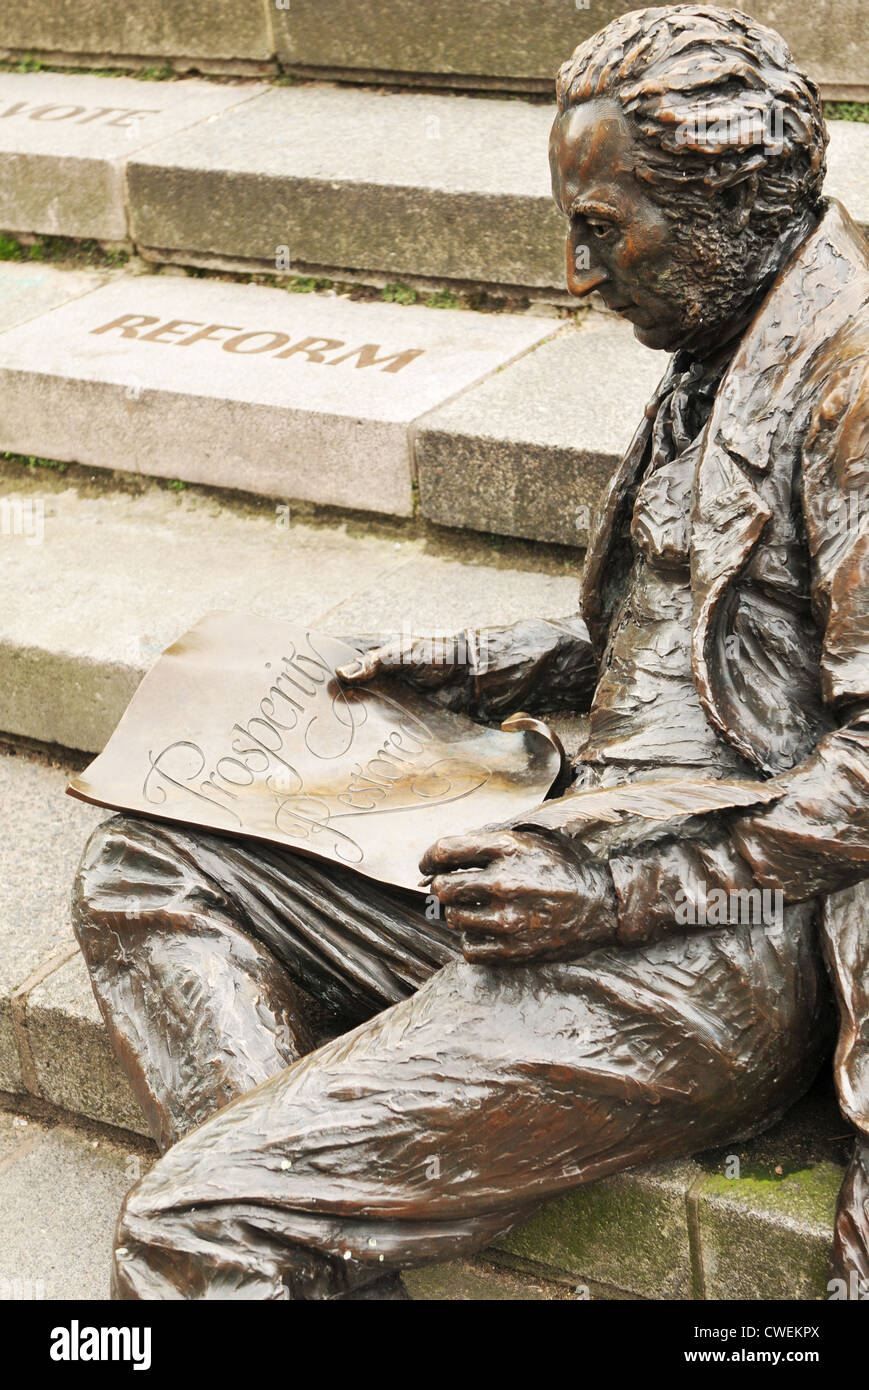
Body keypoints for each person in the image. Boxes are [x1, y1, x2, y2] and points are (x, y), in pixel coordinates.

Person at [73, 5, 869, 1299]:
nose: (573, 272)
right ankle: (287, 1207)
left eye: (601, 231)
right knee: (146, 859)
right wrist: (500, 656)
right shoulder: (729, 319)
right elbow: (713, 632)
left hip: (708, 941)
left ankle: (246, 1214)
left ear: (722, 200)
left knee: (189, 1228)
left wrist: (614, 895)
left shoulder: (854, 376)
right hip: (575, 840)